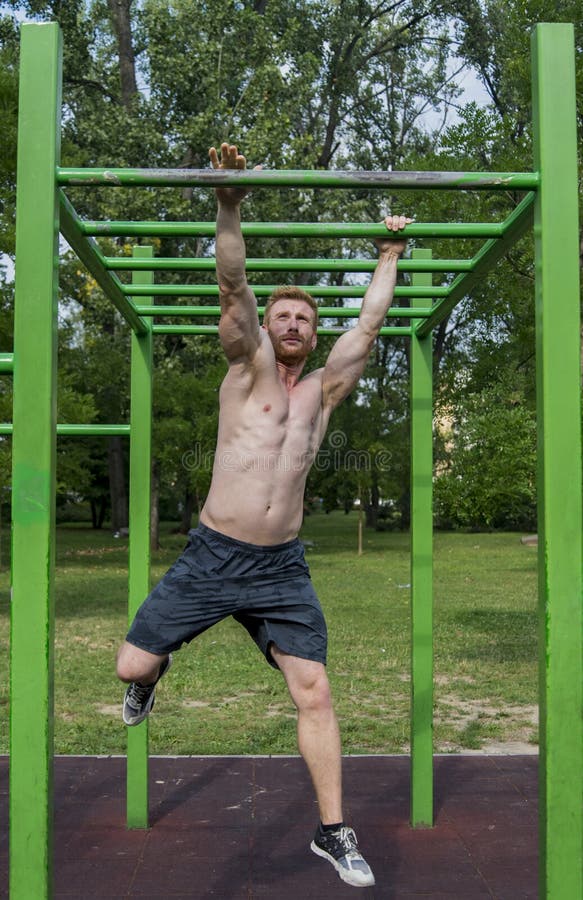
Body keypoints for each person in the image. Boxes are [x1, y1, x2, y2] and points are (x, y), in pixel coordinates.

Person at [116, 142, 411, 889]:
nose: (289, 325)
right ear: (265, 327)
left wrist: (388, 251)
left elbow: (370, 326)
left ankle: (333, 831)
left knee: (313, 688)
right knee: (130, 662)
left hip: (280, 567)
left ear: (312, 334)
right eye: (280, 315)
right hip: (213, 555)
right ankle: (151, 675)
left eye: (301, 318)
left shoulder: (323, 391)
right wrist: (228, 202)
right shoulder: (243, 371)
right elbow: (230, 284)